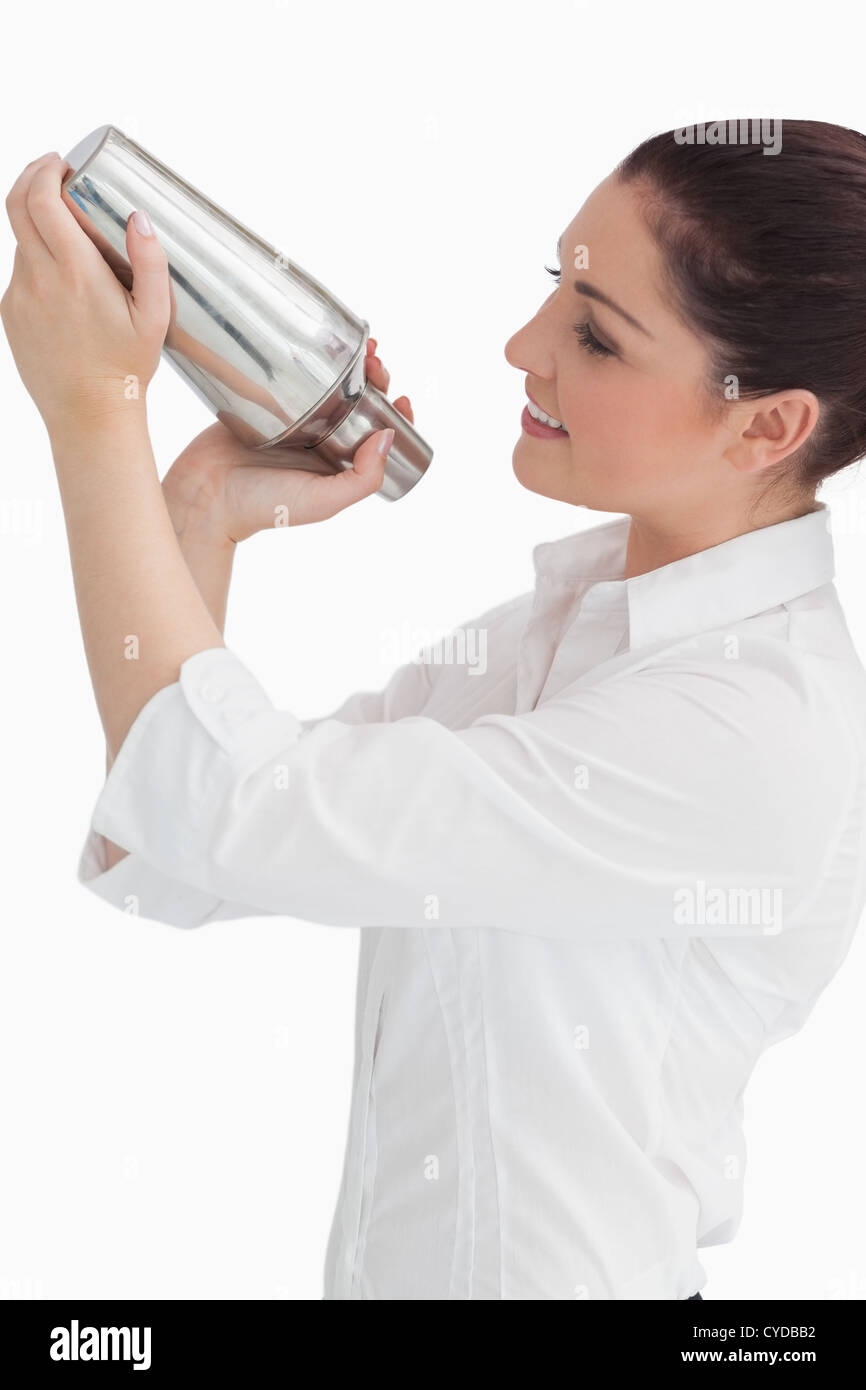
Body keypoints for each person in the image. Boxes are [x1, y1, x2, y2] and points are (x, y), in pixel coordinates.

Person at [3, 119, 866, 1301]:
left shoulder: (747, 729)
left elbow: (218, 811)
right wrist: (198, 511)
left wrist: (94, 413)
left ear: (765, 424)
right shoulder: (553, 637)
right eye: (551, 287)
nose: (522, 346)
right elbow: (175, 851)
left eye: (596, 336)